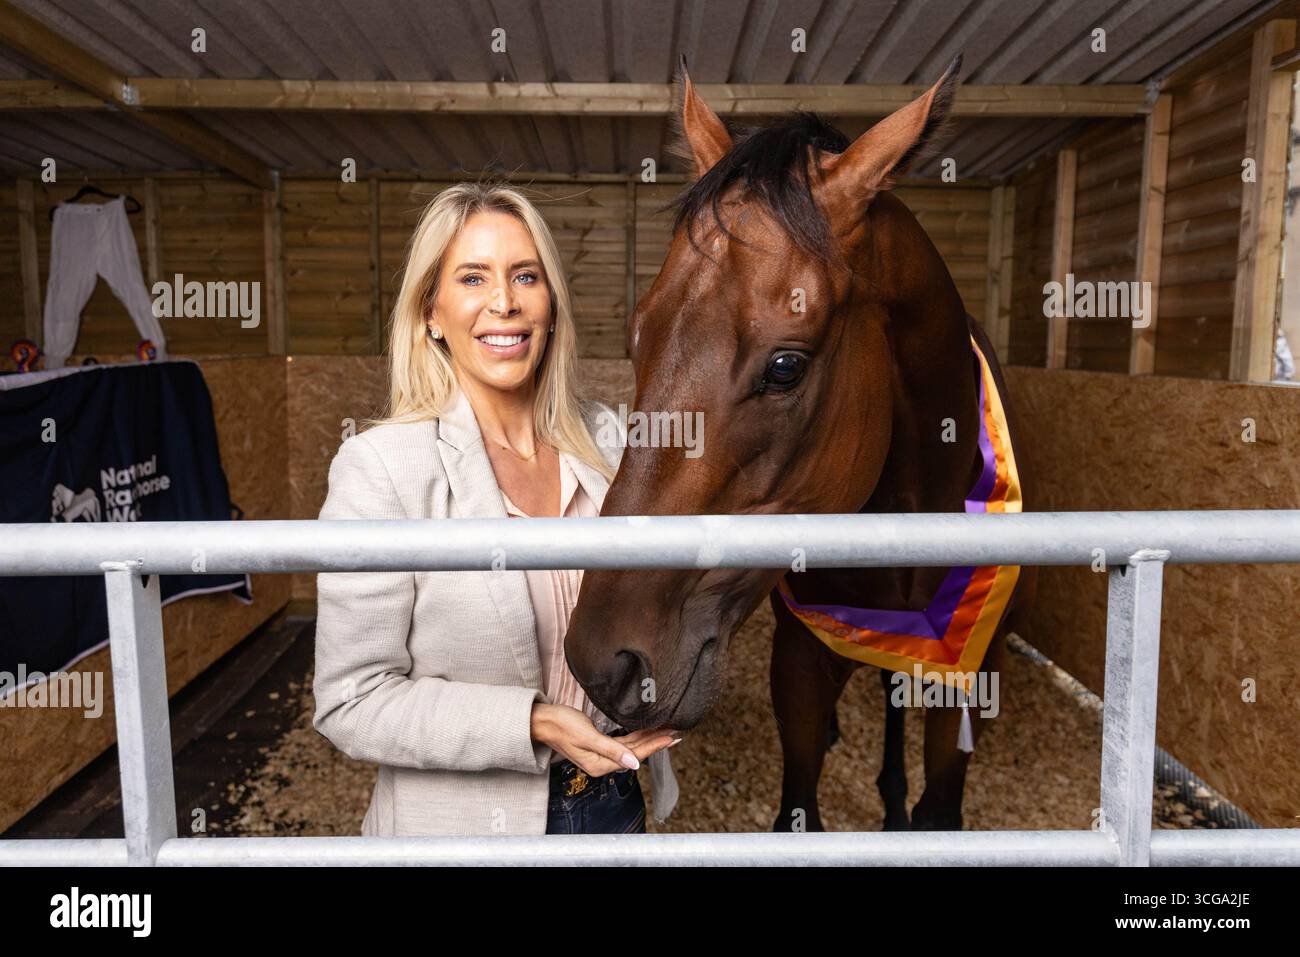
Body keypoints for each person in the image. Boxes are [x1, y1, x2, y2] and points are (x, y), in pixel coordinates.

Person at [312, 181, 678, 836]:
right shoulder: (382, 468)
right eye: (473, 278)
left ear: (551, 303)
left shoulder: (608, 441)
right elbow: (351, 700)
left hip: (614, 801)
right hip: (465, 833)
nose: (504, 302)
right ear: (431, 311)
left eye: (525, 276)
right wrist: (533, 719)